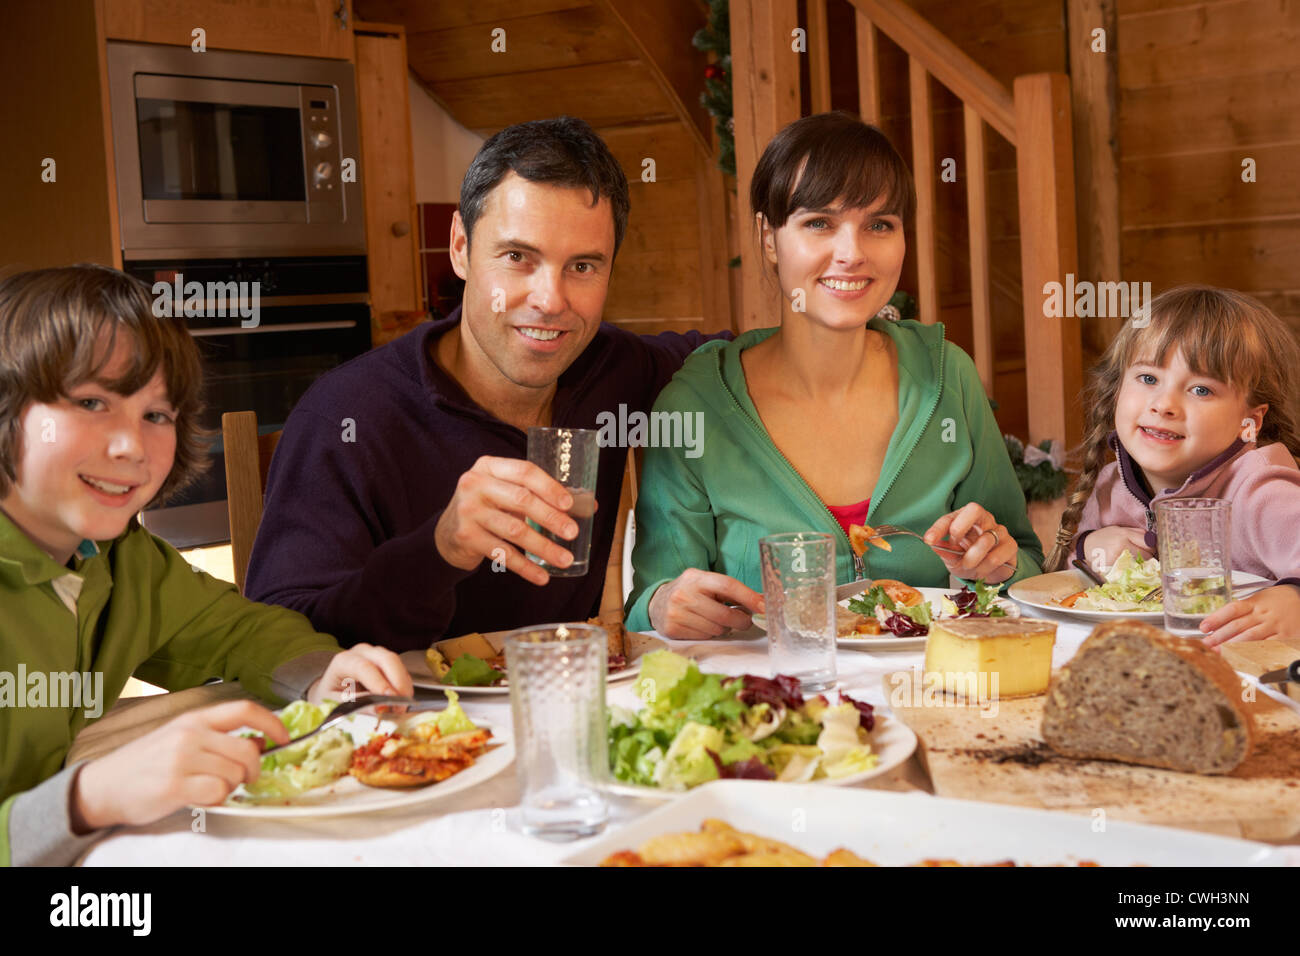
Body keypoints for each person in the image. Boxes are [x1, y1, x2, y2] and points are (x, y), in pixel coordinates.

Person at [244, 117, 728, 652]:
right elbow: (280, 645)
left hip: (568, 708)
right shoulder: (345, 418)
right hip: (407, 727)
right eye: (518, 257)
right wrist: (440, 548)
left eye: (583, 266)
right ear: (459, 247)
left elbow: (748, 359)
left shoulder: (611, 367)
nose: (551, 300)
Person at [0, 265, 411, 867]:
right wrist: (92, 795)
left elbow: (239, 630)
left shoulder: (118, 561)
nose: (131, 446)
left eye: (156, 415)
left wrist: (327, 675)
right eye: (91, 401)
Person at [625, 112, 1042, 639]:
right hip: (773, 710)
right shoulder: (695, 405)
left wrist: (999, 565)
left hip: (937, 700)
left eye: (879, 225)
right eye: (819, 223)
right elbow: (650, 607)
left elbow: (1023, 565)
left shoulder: (947, 376)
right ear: (769, 237)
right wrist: (664, 604)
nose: (852, 253)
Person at [1046, 285, 1300, 648]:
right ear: (1118, 389)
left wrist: (1294, 600)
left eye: (1201, 390)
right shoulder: (1109, 486)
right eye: (1148, 379)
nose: (1164, 404)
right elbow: (1063, 592)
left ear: (1251, 421)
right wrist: (1089, 548)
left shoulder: (1260, 490)